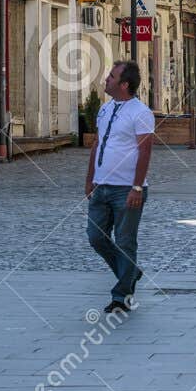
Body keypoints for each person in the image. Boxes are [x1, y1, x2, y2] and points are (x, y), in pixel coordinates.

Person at [84, 60, 155, 313]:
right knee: (96, 237)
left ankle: (121, 295)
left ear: (124, 84)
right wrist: (90, 178)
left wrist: (137, 187)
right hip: (101, 186)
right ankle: (130, 272)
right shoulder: (104, 110)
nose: (106, 80)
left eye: (111, 77)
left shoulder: (140, 113)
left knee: (125, 241)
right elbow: (97, 144)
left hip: (126, 188)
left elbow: (145, 149)